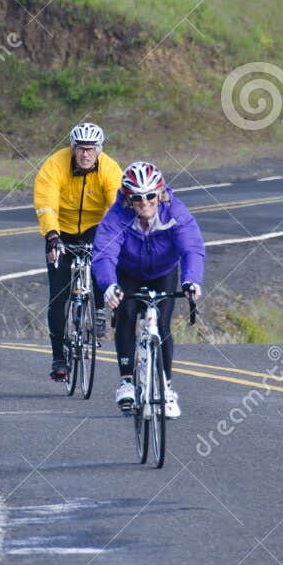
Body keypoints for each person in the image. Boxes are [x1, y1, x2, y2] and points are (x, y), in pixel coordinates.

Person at [93, 161, 205, 418]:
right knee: (126, 315)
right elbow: (104, 253)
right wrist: (109, 285)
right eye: (137, 198)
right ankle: (126, 382)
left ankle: (166, 388)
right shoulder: (117, 216)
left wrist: (191, 281)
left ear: (160, 193)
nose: (145, 203)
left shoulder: (175, 211)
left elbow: (192, 248)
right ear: (127, 198)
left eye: (150, 196)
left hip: (163, 272)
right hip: (127, 272)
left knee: (162, 325)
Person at [33, 122, 123, 382]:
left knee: (101, 261)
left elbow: (116, 204)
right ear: (72, 148)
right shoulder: (55, 165)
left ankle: (97, 309)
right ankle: (58, 358)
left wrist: (108, 238)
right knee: (58, 295)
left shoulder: (109, 168)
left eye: (91, 149)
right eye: (81, 149)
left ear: (99, 150)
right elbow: (46, 201)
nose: (86, 154)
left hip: (97, 226)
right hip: (61, 228)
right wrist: (51, 235)